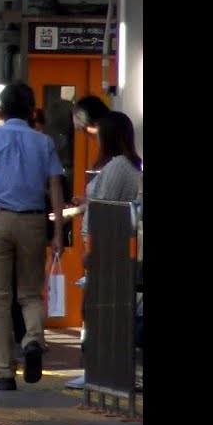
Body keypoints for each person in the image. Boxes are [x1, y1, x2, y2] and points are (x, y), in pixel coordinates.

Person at [0, 81, 64, 391]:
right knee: (30, 294)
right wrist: (58, 229)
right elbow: (54, 186)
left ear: (2, 109)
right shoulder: (44, 142)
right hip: (34, 220)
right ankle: (34, 340)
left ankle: (3, 372)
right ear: (30, 109)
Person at [64, 110, 142, 390]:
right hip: (113, 247)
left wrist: (91, 249)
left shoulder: (118, 166)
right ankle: (103, 371)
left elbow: (105, 206)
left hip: (107, 249)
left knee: (98, 311)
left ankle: (99, 372)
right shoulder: (128, 165)